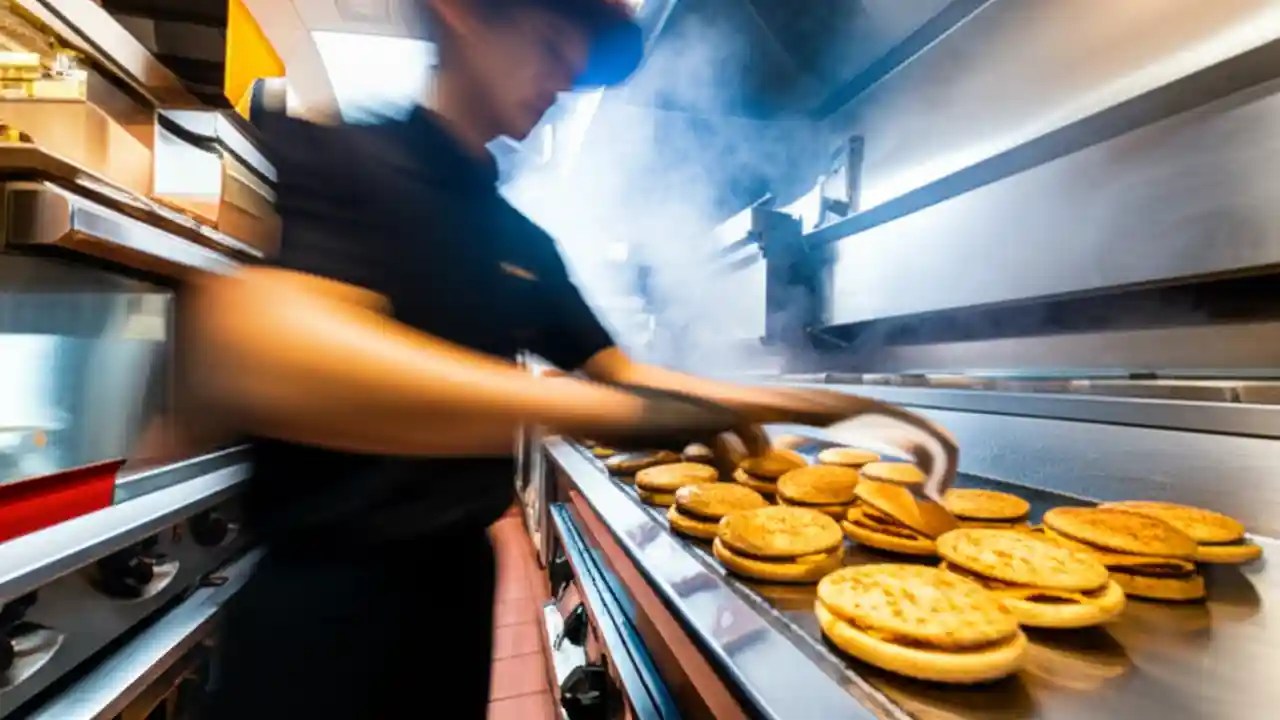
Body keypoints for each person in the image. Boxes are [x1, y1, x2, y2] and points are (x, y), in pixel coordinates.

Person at [189, 0, 948, 716]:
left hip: (455, 586)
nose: (562, 78)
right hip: (321, 605)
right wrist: (603, 412)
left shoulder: (522, 243)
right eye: (552, 44)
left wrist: (798, 405)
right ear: (460, 11)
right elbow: (264, 351)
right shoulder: (341, 160)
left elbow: (623, 373)